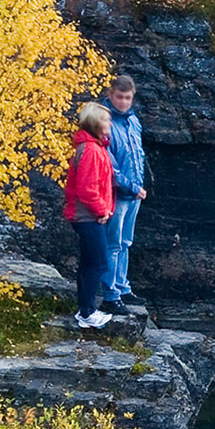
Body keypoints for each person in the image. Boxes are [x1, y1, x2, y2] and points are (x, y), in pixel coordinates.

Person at [66, 101, 118, 329]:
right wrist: (102, 211)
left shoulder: (95, 148)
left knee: (90, 263)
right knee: (98, 263)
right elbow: (88, 189)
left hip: (89, 216)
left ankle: (85, 310)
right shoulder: (90, 150)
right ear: (95, 122)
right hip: (88, 217)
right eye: (106, 119)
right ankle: (87, 312)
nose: (110, 123)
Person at [105, 73, 148, 306]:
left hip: (135, 193)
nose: (123, 102)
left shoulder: (133, 121)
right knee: (113, 244)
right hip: (118, 194)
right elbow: (110, 167)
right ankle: (111, 294)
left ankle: (122, 287)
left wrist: (139, 185)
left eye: (128, 98)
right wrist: (132, 187)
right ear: (111, 95)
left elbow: (138, 154)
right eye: (120, 97)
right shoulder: (105, 123)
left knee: (125, 242)